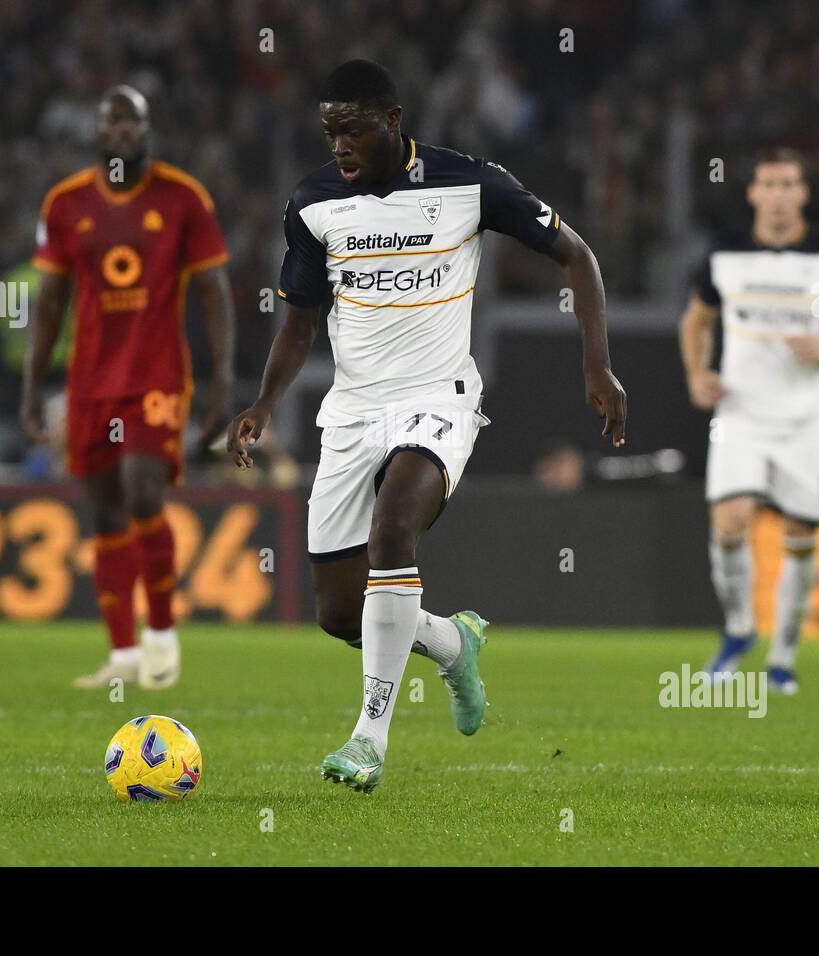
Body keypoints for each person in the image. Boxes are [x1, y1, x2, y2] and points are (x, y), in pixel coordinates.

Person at [227, 60, 626, 792]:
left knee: (393, 528)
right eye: (330, 131)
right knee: (342, 614)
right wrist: (261, 403)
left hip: (436, 397)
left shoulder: (468, 182)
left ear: (392, 119)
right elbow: (299, 323)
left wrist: (596, 365)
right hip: (351, 409)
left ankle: (367, 741)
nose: (340, 144)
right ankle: (450, 641)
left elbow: (579, 256)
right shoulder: (314, 203)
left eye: (353, 129)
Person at [22, 85, 235, 690]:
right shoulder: (65, 203)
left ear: (147, 133)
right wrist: (33, 386)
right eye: (110, 124)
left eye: (132, 124)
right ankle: (122, 657)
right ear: (96, 133)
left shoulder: (183, 198)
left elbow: (215, 294)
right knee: (105, 507)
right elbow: (50, 301)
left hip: (156, 374)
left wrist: (222, 383)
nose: (121, 134)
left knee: (143, 492)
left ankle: (162, 634)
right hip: (90, 380)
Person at [679, 147, 819, 694]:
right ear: (752, 192)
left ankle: (784, 659)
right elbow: (695, 322)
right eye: (768, 183)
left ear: (803, 193)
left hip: (808, 415)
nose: (778, 195)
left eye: (789, 184)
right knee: (730, 519)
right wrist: (698, 374)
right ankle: (740, 630)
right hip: (741, 409)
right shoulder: (723, 251)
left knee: (800, 531)